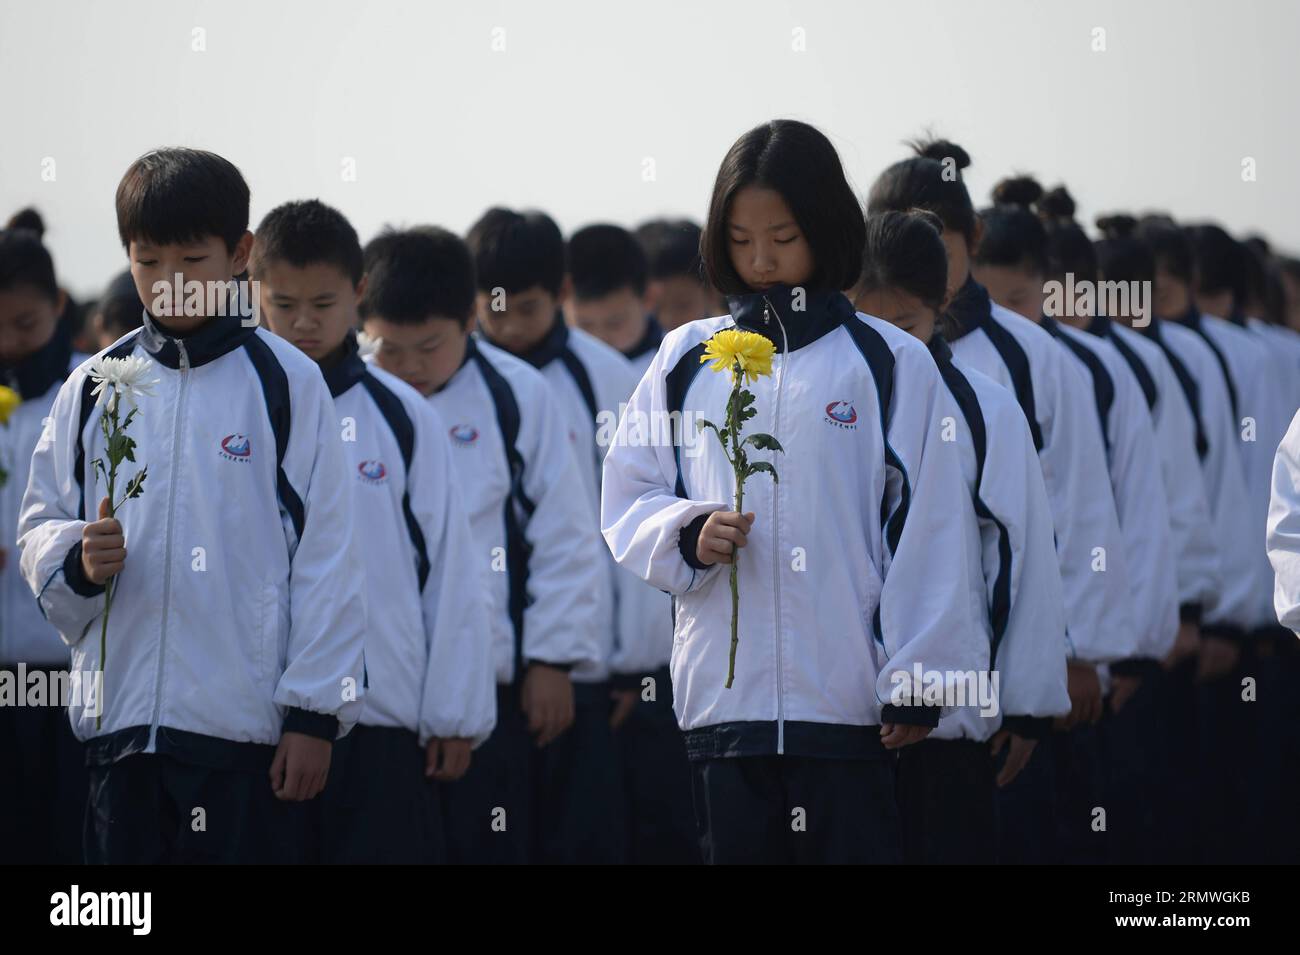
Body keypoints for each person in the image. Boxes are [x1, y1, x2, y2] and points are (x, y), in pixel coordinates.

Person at [602, 119, 985, 864]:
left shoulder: (889, 361)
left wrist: (917, 674)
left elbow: (932, 526)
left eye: (782, 236)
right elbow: (628, 492)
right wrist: (687, 531)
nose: (762, 259)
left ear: (826, 226)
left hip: (847, 706)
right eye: (742, 240)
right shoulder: (688, 357)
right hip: (724, 703)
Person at [17, 148, 366, 863]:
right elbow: (39, 521)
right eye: (148, 261)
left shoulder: (287, 382)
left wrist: (313, 713)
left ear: (239, 254)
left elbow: (329, 553)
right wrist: (77, 562)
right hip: (118, 731)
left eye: (192, 259)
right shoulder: (92, 386)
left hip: (242, 739)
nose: (169, 282)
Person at [867, 140, 1135, 864]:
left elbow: (1067, 517)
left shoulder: (1029, 359)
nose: (914, 252)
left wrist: (1058, 669)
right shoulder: (844, 376)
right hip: (866, 716)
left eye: (935, 238)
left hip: (984, 695)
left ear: (971, 241)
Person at [252, 199, 497, 863]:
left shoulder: (403, 415)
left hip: (384, 713)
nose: (304, 322)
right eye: (285, 303)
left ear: (358, 295)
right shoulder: (232, 405)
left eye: (324, 303)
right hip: (252, 718)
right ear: (254, 292)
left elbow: (450, 567)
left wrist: (453, 711)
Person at [359, 224, 605, 864]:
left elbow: (564, 534)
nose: (410, 366)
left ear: (470, 320)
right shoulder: (341, 398)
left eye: (429, 346)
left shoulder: (518, 394)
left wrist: (551, 659)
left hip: (493, 684)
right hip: (371, 693)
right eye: (390, 349)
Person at [853, 209, 1069, 864]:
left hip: (949, 726)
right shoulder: (826, 407)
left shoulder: (984, 408)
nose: (890, 345)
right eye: (870, 326)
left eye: (907, 327)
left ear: (940, 306)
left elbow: (1023, 555)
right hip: (841, 728)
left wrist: (1027, 703)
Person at [0, 225, 90, 863]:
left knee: (69, 838)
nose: (8, 344)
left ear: (59, 305)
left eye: (24, 325)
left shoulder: (96, 394)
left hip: (72, 676)